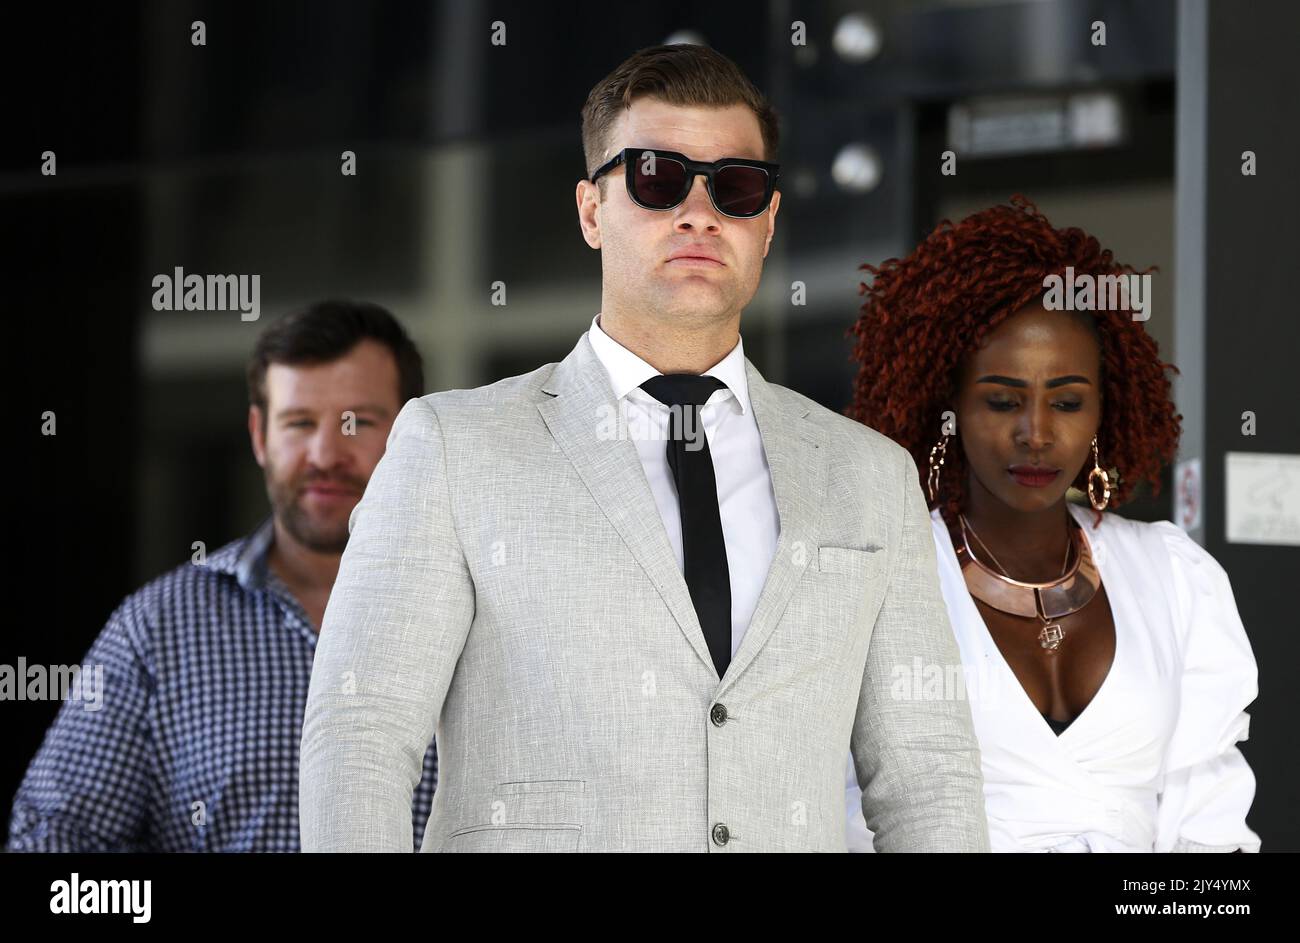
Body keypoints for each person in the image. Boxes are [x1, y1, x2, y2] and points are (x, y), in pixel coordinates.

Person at [299, 44, 989, 852]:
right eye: (658, 177)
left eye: (734, 187)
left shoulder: (871, 474)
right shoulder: (453, 447)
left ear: (767, 223)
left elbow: (927, 780)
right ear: (592, 210)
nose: (699, 213)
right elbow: (361, 735)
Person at [845, 197, 1260, 852]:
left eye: (1066, 401)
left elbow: (1215, 843)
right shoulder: (880, 572)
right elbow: (838, 816)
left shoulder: (1173, 576)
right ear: (946, 404)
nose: (1035, 433)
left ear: (1105, 407)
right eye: (1003, 400)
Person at [8, 300, 440, 851]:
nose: (325, 453)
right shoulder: (159, 628)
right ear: (260, 435)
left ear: (411, 434)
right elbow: (53, 842)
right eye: (300, 422)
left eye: (359, 421)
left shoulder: (484, 613)